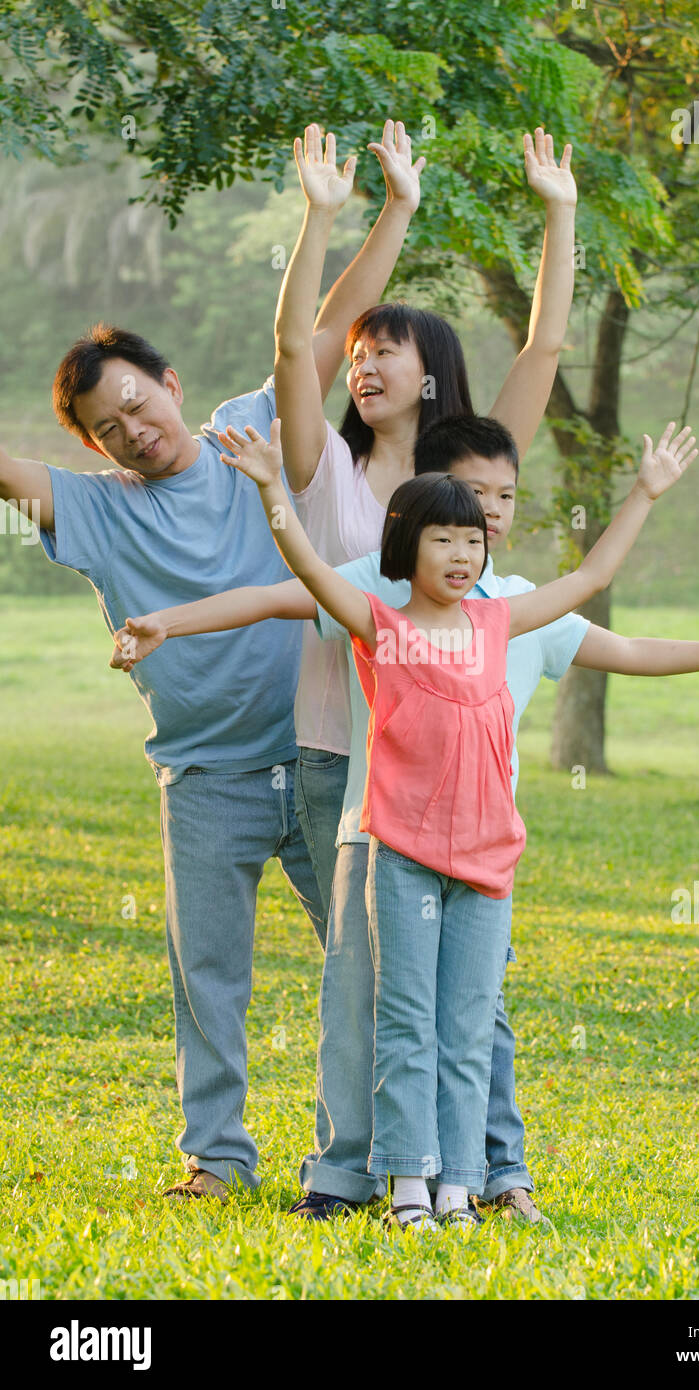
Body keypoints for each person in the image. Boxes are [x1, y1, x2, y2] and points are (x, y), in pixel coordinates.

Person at [113, 414, 699, 1224]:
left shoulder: (502, 617)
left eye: (485, 521)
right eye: (451, 527)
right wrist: (266, 492)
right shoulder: (380, 617)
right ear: (409, 540)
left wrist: (669, 533)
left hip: (483, 855)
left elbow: (598, 590)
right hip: (392, 847)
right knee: (388, 1019)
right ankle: (389, 1181)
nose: (472, 539)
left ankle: (468, 1182)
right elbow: (293, 575)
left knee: (469, 1026)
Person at [0, 120, 424, 1200]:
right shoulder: (93, 508)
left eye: (136, 403)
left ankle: (376, 1152)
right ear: (91, 446)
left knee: (368, 963)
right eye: (106, 428)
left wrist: (386, 209)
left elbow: (327, 330)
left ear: (170, 383)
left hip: (320, 758)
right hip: (204, 776)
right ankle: (217, 1159)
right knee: (207, 978)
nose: (132, 430)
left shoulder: (252, 431)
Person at [274, 121, 577, 936]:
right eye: (358, 355)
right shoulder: (324, 465)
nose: (362, 367)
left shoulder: (470, 469)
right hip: (339, 751)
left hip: (453, 754)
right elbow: (296, 351)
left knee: (465, 973)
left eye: (383, 352)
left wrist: (560, 212)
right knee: (361, 966)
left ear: (432, 369)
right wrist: (324, 215)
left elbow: (544, 348)